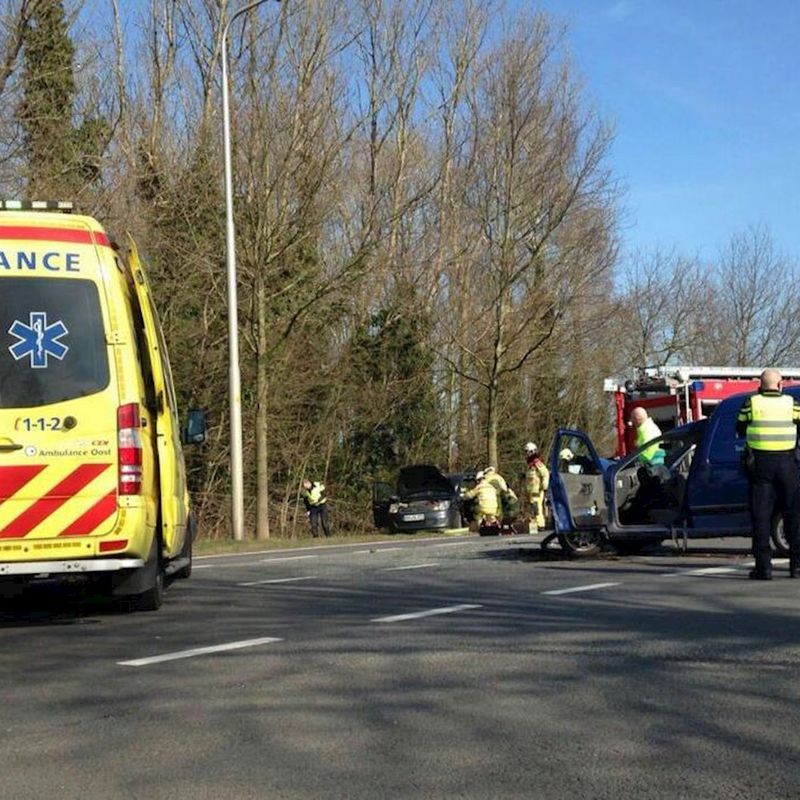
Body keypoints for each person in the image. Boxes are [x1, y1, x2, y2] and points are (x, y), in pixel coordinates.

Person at [736, 368, 800, 580]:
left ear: (760, 386)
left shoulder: (752, 403)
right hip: (787, 463)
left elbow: (740, 427)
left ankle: (764, 568)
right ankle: (797, 566)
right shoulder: (791, 403)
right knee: (793, 514)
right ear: (780, 385)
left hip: (761, 464)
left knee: (761, 516)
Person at [524, 442, 550, 532]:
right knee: (534, 508)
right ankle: (537, 524)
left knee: (537, 507)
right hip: (532, 491)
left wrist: (544, 486)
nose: (526, 454)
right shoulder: (530, 465)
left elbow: (545, 473)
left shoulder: (537, 463)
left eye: (527, 452)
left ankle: (540, 524)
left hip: (537, 490)